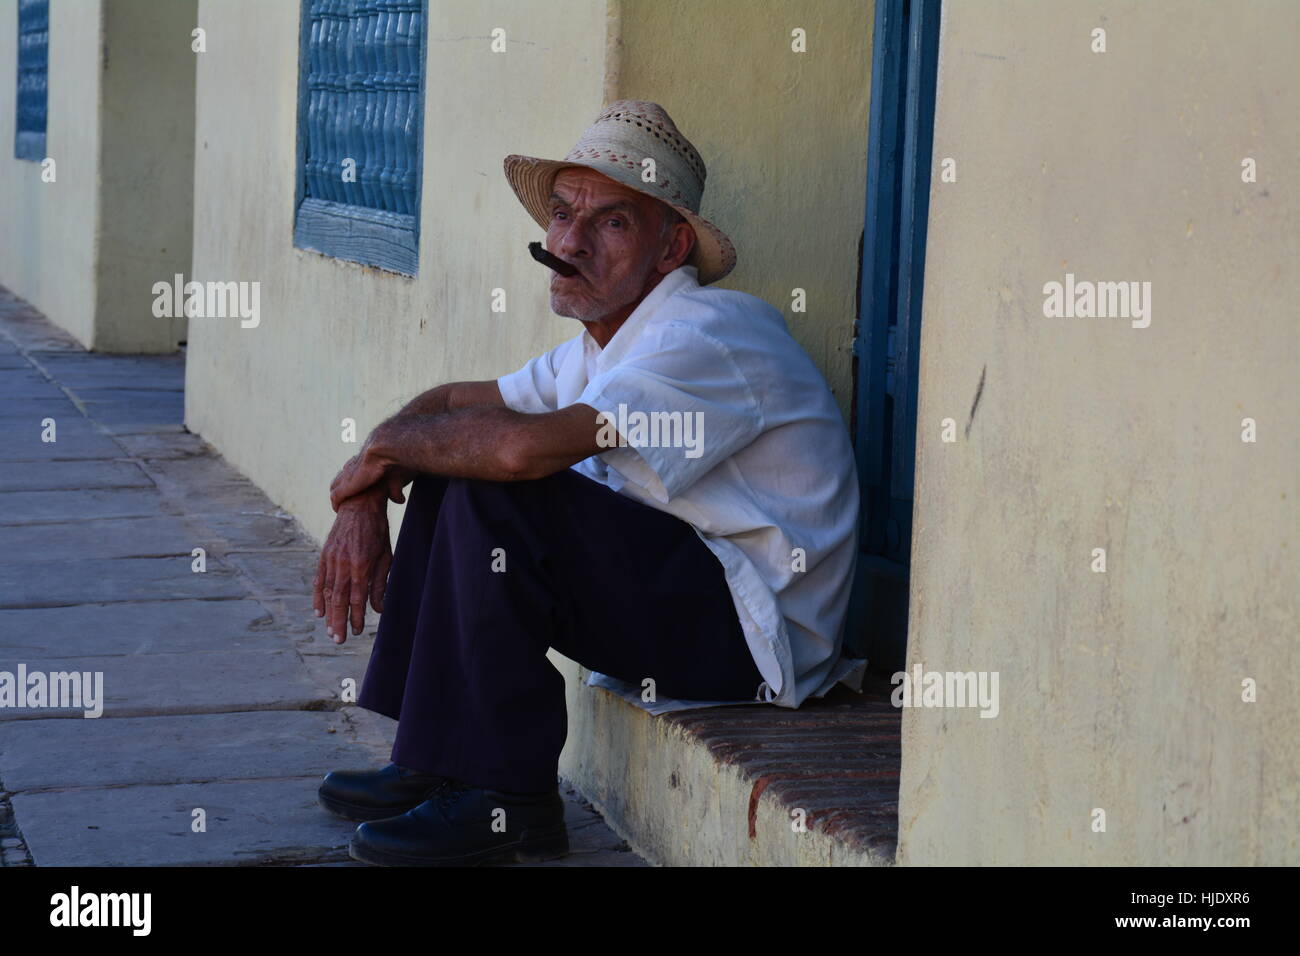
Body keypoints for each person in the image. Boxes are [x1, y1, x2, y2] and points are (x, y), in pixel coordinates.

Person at [313, 100, 862, 867]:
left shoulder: (709, 334)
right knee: (454, 463)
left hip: (751, 638)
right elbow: (449, 406)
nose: (568, 241)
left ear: (671, 247)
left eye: (610, 223)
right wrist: (368, 486)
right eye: (564, 214)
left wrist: (377, 459)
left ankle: (507, 797)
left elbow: (517, 456)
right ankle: (439, 756)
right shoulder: (601, 349)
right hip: (688, 602)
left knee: (493, 481)